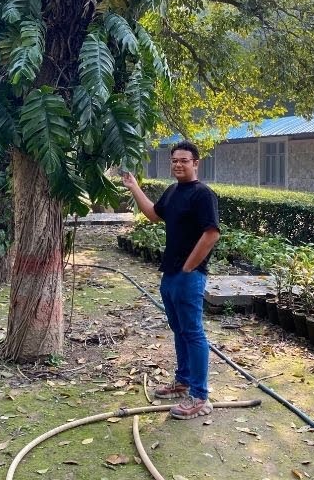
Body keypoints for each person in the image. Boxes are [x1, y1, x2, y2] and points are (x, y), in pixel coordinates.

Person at [121, 141, 220, 420]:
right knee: (179, 329)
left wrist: (189, 267)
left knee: (193, 332)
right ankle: (183, 381)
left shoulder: (203, 195)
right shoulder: (174, 191)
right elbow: (154, 215)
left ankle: (200, 397)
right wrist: (134, 187)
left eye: (184, 160)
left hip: (189, 276)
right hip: (170, 274)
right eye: (174, 160)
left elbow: (212, 233)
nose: (178, 164)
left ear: (196, 163)